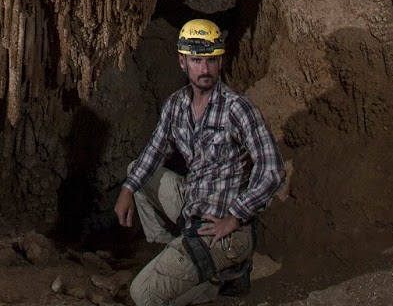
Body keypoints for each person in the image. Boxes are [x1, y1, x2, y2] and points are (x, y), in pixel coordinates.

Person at [114, 19, 283, 306]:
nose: (204, 70)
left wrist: (236, 216)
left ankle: (222, 272)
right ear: (183, 62)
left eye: (210, 61)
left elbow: (272, 169)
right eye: (196, 61)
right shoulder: (176, 105)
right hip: (193, 201)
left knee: (142, 294)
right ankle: (175, 255)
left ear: (220, 62)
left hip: (223, 225)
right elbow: (153, 152)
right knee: (137, 174)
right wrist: (127, 189)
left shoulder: (237, 108)